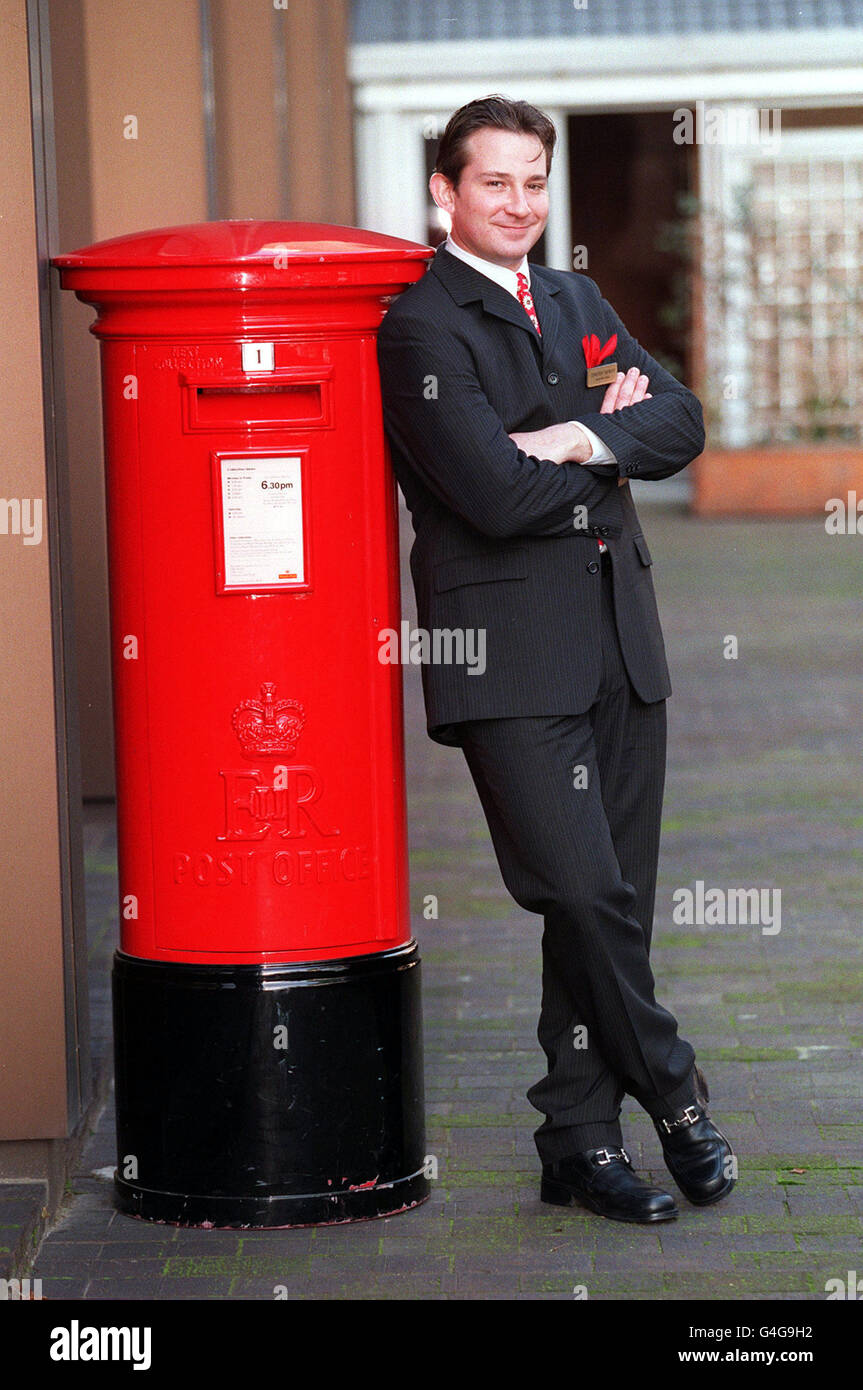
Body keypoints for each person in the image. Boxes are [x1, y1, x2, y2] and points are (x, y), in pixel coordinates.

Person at [376, 95, 735, 1223]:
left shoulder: (574, 297)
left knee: (608, 905)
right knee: (574, 888)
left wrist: (581, 434)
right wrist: (608, 451)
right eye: (495, 182)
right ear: (445, 191)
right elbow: (485, 490)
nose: (519, 203)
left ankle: (577, 1144)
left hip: (622, 647)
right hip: (509, 659)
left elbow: (680, 419)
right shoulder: (418, 327)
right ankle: (674, 1091)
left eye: (533, 180)